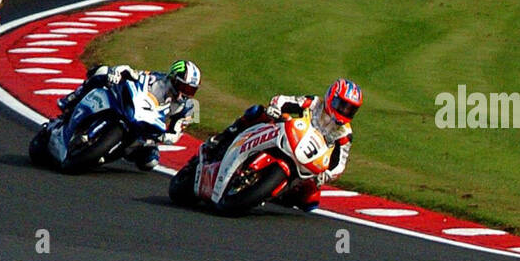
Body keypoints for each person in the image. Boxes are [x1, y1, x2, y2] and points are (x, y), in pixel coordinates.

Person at [202, 78, 363, 211]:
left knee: (310, 201)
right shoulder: (314, 103)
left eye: (350, 109)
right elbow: (284, 100)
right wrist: (275, 108)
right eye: (342, 105)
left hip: (306, 161)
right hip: (288, 136)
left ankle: (272, 193)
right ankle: (222, 138)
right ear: (331, 97)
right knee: (258, 112)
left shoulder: (345, 134)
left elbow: (340, 163)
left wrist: (327, 174)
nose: (344, 111)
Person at [54, 59, 201, 170]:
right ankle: (73, 98)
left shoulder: (191, 107)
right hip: (134, 111)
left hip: (150, 131)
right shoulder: (156, 79)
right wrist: (118, 73)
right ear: (173, 79)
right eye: (184, 87)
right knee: (102, 71)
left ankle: (105, 156)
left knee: (150, 162)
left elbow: (176, 133)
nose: (186, 93)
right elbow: (132, 73)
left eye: (191, 90)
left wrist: (163, 137)